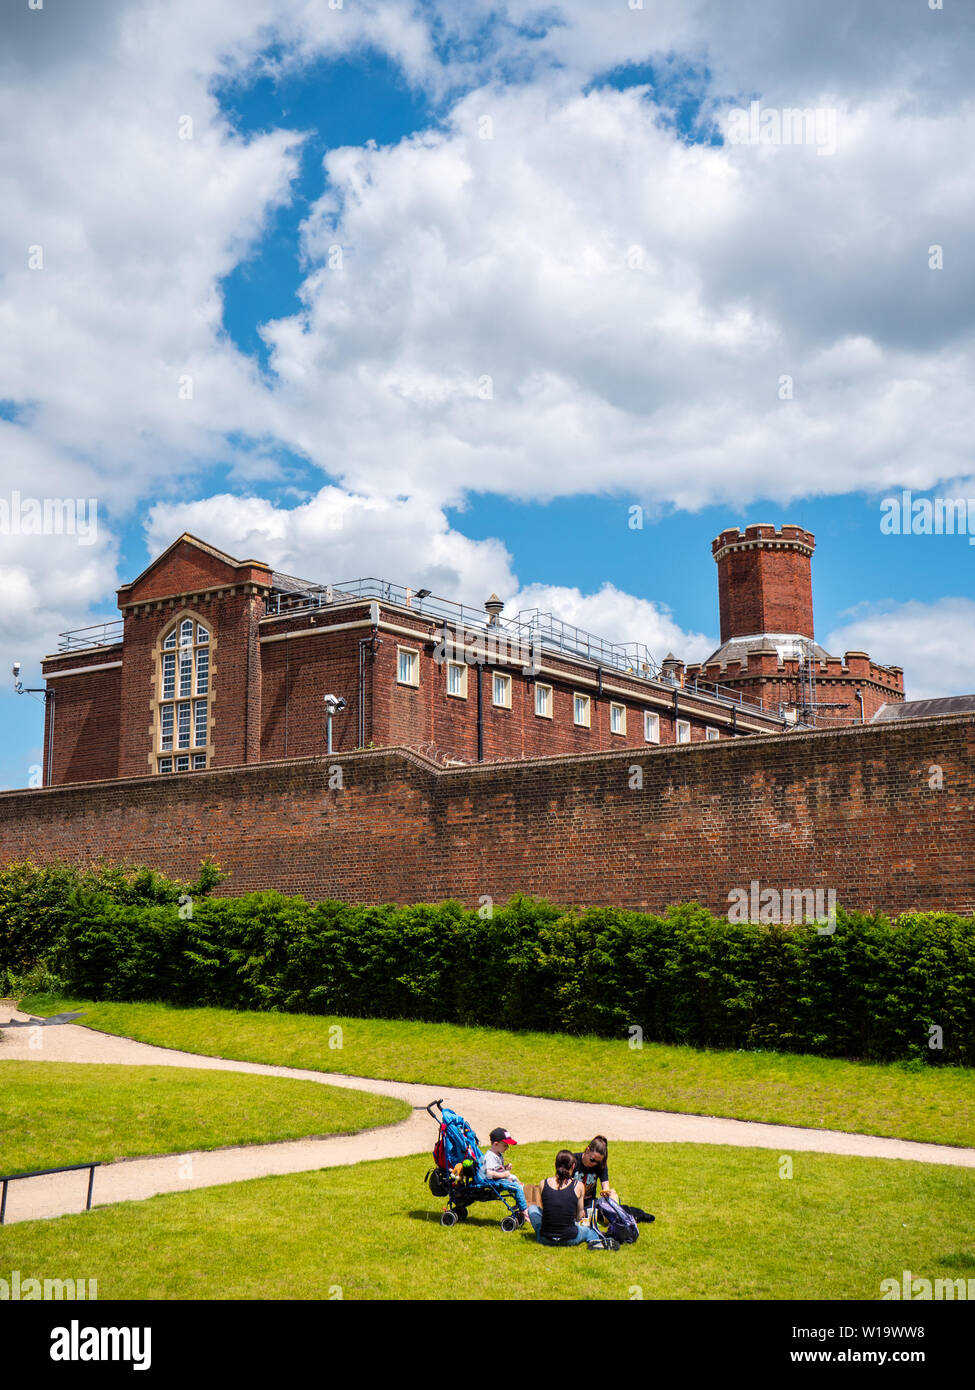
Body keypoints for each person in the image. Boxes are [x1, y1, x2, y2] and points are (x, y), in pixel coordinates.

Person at [526, 1149, 619, 1249]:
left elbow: (546, 1210)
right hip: (569, 1238)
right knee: (588, 1231)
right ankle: (595, 1241)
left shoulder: (543, 1183)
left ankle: (550, 1233)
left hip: (545, 1238)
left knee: (532, 1209)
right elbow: (579, 1217)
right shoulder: (578, 1186)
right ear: (573, 1166)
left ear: (555, 1165)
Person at [482, 1126, 529, 1224]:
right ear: (496, 1144)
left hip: (500, 1179)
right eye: (505, 1145)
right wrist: (503, 1175)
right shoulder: (490, 1156)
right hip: (494, 1182)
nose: (507, 1148)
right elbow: (489, 1173)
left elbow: (497, 1168)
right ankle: (525, 1211)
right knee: (516, 1187)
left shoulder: (498, 1154)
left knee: (519, 1184)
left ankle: (520, 1204)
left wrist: (505, 1167)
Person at [571, 1136, 617, 1205]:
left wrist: (607, 1192)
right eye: (592, 1160)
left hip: (589, 1202)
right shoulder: (573, 1160)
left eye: (598, 1162)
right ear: (587, 1150)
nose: (595, 1164)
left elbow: (606, 1186)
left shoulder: (601, 1165)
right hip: (572, 1200)